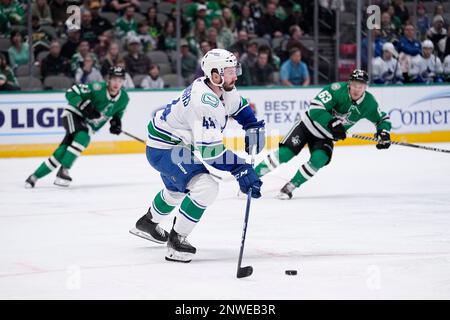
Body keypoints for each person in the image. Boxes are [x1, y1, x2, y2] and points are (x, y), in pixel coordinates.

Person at [129, 49, 265, 262]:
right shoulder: (204, 102)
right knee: (206, 187)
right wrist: (240, 168)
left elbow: (238, 106)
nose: (235, 76)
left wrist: (251, 124)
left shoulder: (220, 87)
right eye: (230, 71)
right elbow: (211, 153)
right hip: (165, 149)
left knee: (175, 190)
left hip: (174, 145)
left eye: (234, 70)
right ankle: (176, 241)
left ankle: (147, 223)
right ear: (215, 74)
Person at [254, 69, 392, 200]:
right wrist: (332, 123)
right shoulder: (336, 89)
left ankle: (290, 187)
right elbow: (315, 108)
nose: (357, 89)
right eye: (355, 85)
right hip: (307, 127)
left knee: (319, 159)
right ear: (349, 83)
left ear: (365, 87)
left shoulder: (369, 103)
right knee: (285, 153)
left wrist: (383, 132)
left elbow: (382, 119)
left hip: (325, 137)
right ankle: (251, 178)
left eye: (361, 86)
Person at [25, 67, 129, 188]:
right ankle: (64, 170)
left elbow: (117, 113)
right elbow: (71, 92)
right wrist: (83, 105)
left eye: (120, 80)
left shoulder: (124, 98)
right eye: (114, 79)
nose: (117, 83)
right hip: (73, 114)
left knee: (63, 151)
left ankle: (34, 176)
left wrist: (116, 123)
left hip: (88, 125)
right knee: (83, 136)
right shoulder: (97, 88)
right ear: (109, 80)